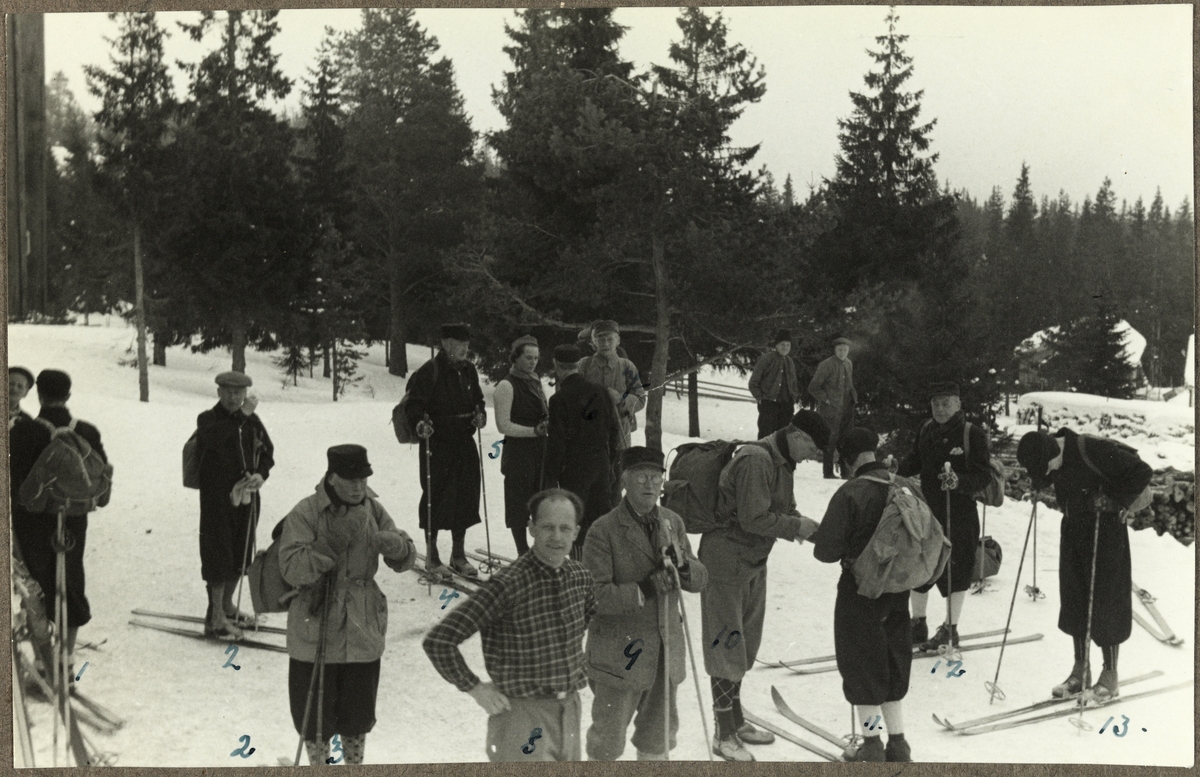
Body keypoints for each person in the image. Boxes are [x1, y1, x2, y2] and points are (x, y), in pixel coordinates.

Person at [423, 488, 597, 763]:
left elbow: (585, 621)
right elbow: (439, 641)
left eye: (565, 528)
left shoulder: (580, 577)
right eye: (547, 527)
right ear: (531, 528)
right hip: (522, 718)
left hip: (569, 710)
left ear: (576, 532)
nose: (557, 536)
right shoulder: (508, 584)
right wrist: (474, 688)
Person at [699, 409, 830, 761]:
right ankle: (723, 733)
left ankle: (736, 720)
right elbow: (753, 517)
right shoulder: (757, 459)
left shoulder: (782, 461)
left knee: (744, 644)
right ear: (797, 435)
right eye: (813, 450)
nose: (812, 458)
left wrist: (809, 527)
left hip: (752, 561)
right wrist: (795, 527)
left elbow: (783, 508)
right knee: (726, 646)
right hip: (726, 561)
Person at [278, 445, 416, 766]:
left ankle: (354, 768)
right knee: (314, 719)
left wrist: (396, 547)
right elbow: (291, 568)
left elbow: (407, 554)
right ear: (331, 477)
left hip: (362, 626)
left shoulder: (373, 509)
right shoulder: (307, 512)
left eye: (363, 479)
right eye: (350, 479)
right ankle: (319, 768)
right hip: (316, 624)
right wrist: (330, 543)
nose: (358, 487)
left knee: (356, 716)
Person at [582, 447, 709, 761]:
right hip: (619, 656)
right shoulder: (603, 530)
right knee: (607, 743)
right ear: (624, 479)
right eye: (641, 476)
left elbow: (700, 579)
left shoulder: (672, 522)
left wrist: (682, 567)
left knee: (657, 741)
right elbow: (595, 597)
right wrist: (647, 587)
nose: (650, 484)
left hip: (665, 653)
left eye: (656, 476)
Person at [1017, 428, 1152, 704]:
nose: (1049, 471)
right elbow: (1048, 475)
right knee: (1075, 600)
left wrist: (1113, 498)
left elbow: (1142, 471)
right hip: (1074, 530)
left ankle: (1110, 675)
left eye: (1049, 466)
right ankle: (1081, 671)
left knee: (1107, 602)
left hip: (1106, 531)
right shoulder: (1049, 451)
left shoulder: (1093, 449)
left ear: (1055, 451)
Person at [811, 428, 914, 763]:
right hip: (898, 590)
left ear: (846, 459)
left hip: (860, 591)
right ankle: (898, 744)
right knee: (892, 662)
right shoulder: (905, 486)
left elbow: (826, 551)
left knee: (862, 668)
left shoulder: (851, 492)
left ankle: (871, 746)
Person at [11, 370, 107, 671]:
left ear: (38, 394)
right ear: (68, 395)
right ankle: (66, 658)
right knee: (70, 581)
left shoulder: (22, 432)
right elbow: (102, 479)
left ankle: (43, 661)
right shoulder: (87, 431)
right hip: (73, 520)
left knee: (37, 586)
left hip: (32, 521)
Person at [897, 382, 990, 651]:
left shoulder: (971, 433)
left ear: (958, 405)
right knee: (920, 564)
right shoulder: (927, 429)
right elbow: (915, 460)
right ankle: (918, 624)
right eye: (935, 403)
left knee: (957, 569)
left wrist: (958, 480)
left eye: (946, 403)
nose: (940, 409)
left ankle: (951, 629)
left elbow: (983, 475)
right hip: (927, 509)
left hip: (959, 512)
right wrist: (893, 472)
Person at [405, 323, 488, 580]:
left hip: (464, 441)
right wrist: (420, 424)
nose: (465, 348)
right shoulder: (429, 371)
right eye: (459, 343)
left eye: (467, 343)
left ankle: (458, 554)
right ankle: (432, 555)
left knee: (466, 496)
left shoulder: (468, 370)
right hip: (437, 444)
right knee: (437, 497)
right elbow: (413, 407)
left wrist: (480, 415)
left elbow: (478, 400)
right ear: (446, 343)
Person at [196, 371, 275, 640]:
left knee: (241, 552)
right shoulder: (208, 419)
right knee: (218, 552)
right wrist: (242, 417)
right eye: (228, 391)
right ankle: (215, 616)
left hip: (247, 496)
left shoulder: (252, 421)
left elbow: (267, 453)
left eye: (238, 392)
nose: (233, 397)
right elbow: (215, 439)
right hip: (217, 497)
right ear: (218, 393)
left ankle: (227, 606)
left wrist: (260, 474)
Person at [544, 344, 621, 559]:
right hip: (601, 463)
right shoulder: (601, 392)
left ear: (557, 367)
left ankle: (580, 569)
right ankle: (603, 566)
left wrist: (551, 476)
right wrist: (611, 463)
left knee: (576, 518)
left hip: (575, 466)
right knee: (601, 517)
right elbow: (614, 432)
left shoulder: (559, 399)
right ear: (578, 365)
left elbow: (556, 442)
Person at [493, 335, 550, 556]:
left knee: (539, 501)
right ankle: (521, 550)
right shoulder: (507, 385)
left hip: (539, 452)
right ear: (515, 357)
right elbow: (503, 425)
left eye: (536, 358)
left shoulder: (535, 381)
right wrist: (533, 431)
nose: (532, 362)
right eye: (528, 357)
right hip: (518, 453)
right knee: (518, 503)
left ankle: (538, 550)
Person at [579, 320, 646, 452]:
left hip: (620, 433)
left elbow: (640, 399)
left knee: (618, 469)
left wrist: (621, 400)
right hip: (590, 433)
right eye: (600, 339)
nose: (605, 343)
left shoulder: (627, 366)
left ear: (618, 341)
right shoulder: (584, 365)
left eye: (610, 339)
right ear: (593, 342)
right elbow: (572, 396)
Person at [808, 337, 858, 479]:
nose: (842, 352)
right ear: (835, 350)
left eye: (845, 350)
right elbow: (813, 387)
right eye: (840, 350)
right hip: (831, 409)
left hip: (847, 407)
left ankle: (845, 471)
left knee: (846, 440)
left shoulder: (848, 363)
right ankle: (828, 472)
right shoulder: (826, 364)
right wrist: (827, 399)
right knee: (830, 440)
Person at [748, 329, 800, 439]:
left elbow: (794, 383)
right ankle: (763, 456)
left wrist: (793, 398)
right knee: (766, 436)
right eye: (782, 344)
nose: (785, 347)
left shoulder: (790, 361)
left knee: (783, 437)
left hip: (786, 405)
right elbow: (753, 383)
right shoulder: (766, 359)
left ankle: (778, 457)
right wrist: (761, 398)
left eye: (788, 345)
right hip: (769, 405)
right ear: (776, 345)